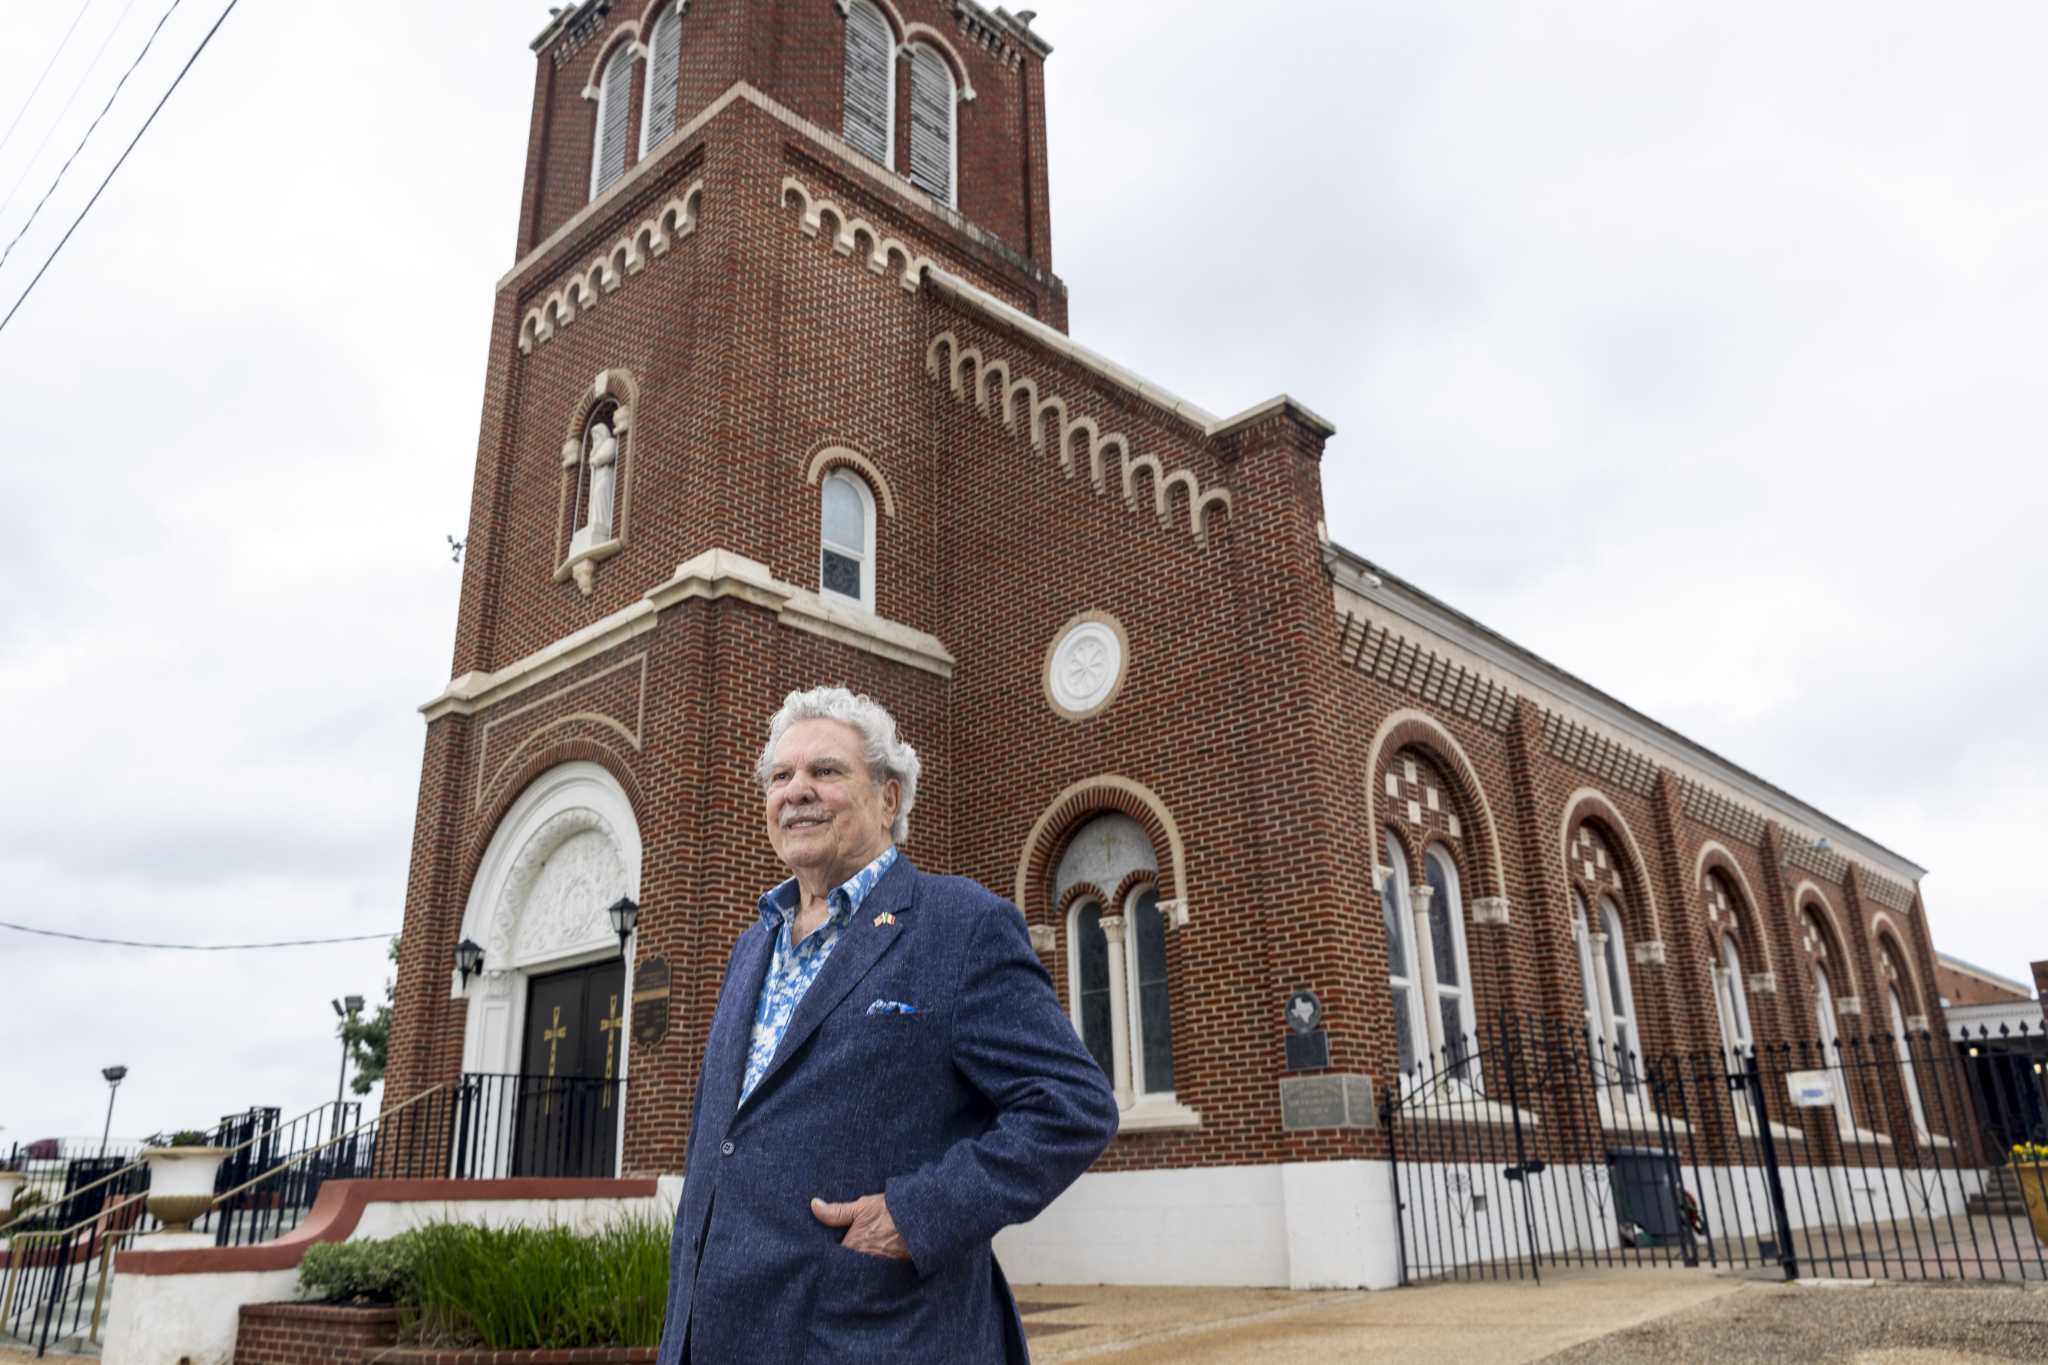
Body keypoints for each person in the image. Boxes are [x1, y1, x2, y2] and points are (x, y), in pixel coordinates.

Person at [657, 687, 1119, 1363]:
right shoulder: (751, 945)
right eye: (780, 776)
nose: (797, 791)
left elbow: (1072, 1106)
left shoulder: (958, 924)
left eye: (826, 771)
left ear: (889, 798)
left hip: (873, 1333)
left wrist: (918, 1212)